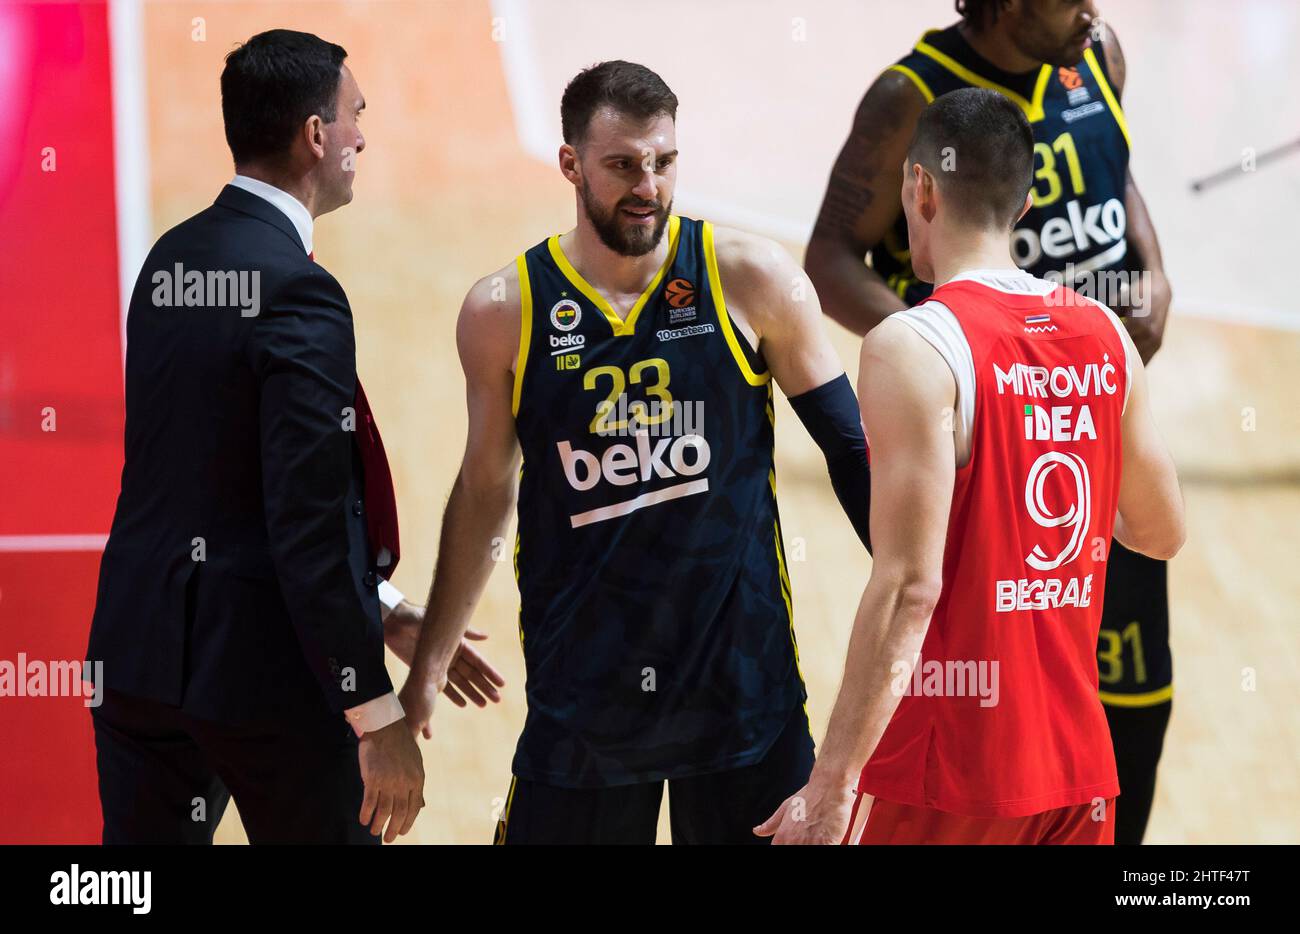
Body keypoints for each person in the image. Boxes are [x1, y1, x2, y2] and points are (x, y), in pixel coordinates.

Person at [399, 60, 872, 844]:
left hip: (743, 701)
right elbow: (485, 489)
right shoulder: (504, 311)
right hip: (585, 711)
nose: (647, 184)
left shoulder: (749, 279)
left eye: (664, 161)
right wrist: (428, 671)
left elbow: (853, 453)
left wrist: (937, 597)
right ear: (571, 164)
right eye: (622, 165)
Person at [86, 29, 498, 844]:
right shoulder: (301, 292)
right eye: (354, 116)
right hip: (257, 679)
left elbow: (210, 477)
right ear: (315, 135)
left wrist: (377, 604)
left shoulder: (172, 259)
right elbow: (307, 522)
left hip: (135, 657)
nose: (362, 137)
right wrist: (375, 714)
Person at [758, 88, 1184, 845]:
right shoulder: (1107, 337)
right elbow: (1159, 532)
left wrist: (830, 783)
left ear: (919, 187)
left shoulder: (911, 345)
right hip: (1075, 768)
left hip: (946, 770)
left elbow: (909, 588)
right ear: (1022, 206)